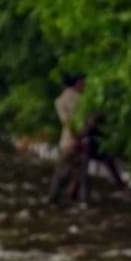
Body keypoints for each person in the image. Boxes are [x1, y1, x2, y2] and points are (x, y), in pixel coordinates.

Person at [48, 74, 88, 206]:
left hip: (67, 141)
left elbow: (66, 123)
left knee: (61, 173)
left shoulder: (59, 101)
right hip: (81, 139)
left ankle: (53, 199)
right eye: (83, 83)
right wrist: (79, 138)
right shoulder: (83, 99)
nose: (85, 85)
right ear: (78, 83)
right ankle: (78, 201)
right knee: (80, 175)